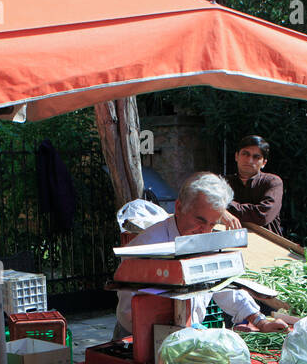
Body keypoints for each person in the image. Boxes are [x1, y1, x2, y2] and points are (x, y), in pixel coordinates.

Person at [113, 172, 287, 337]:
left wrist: (259, 321)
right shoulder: (148, 246)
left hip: (187, 336)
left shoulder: (206, 241)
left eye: (212, 224)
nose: (205, 231)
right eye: (200, 220)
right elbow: (130, 311)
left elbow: (223, 284)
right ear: (179, 207)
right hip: (138, 337)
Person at [224, 135, 283, 235]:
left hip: (268, 243)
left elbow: (263, 215)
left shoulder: (272, 182)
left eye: (256, 157)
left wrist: (223, 210)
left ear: (264, 163)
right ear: (236, 156)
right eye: (245, 154)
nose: (249, 160)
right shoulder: (223, 183)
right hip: (230, 241)